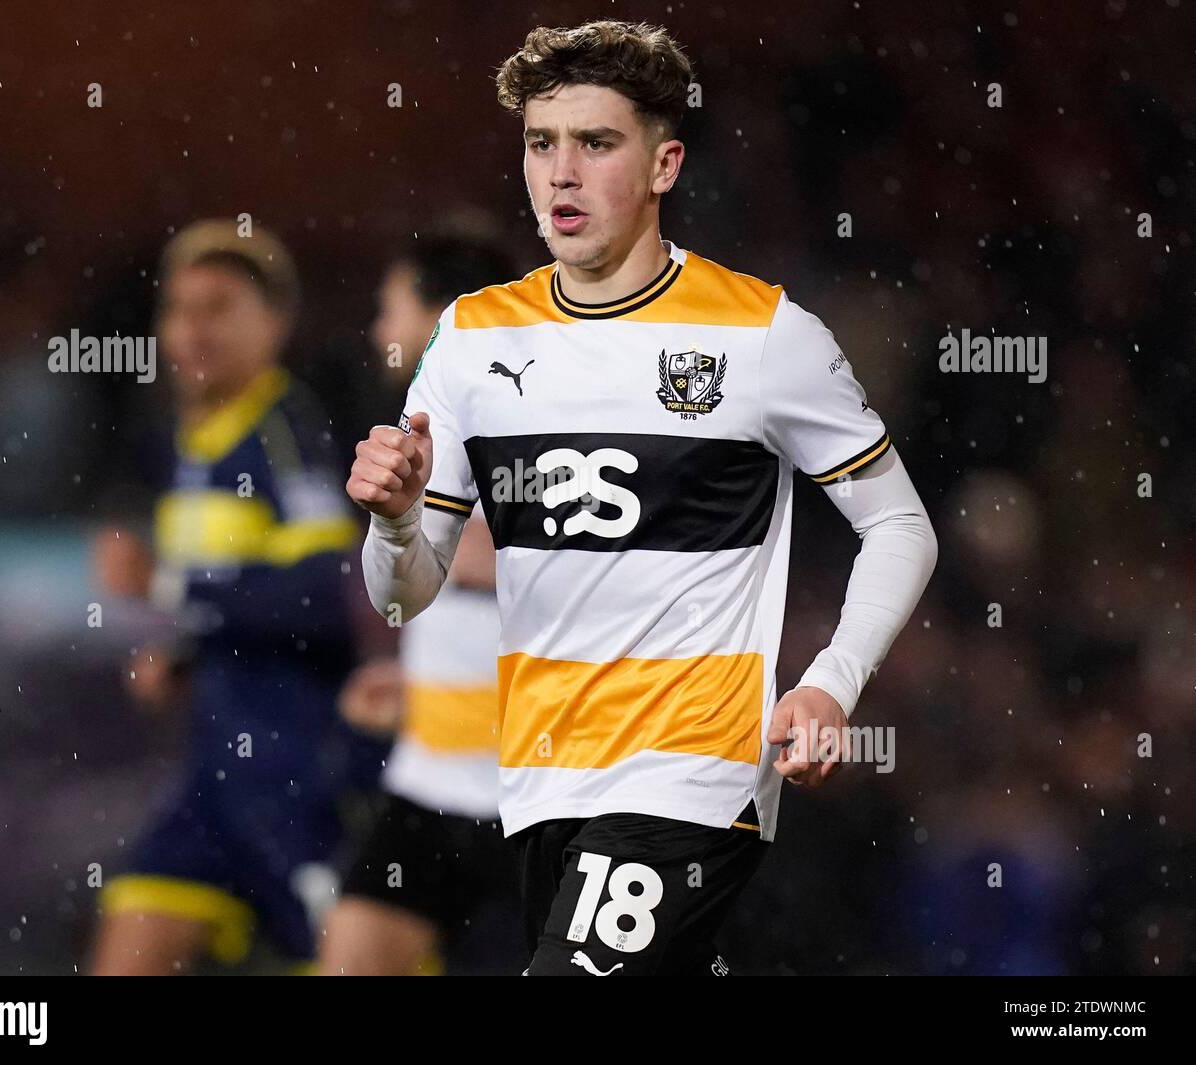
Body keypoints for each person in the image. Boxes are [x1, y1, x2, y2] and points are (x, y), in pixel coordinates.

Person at [347, 20, 938, 975]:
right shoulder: (470, 341)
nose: (560, 174)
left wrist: (832, 680)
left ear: (664, 163)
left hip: (694, 773)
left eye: (596, 142)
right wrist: (395, 519)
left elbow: (900, 523)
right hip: (538, 777)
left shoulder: (762, 333)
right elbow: (402, 592)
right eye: (542, 143)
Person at [88, 219, 387, 974]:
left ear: (275, 323)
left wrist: (166, 583)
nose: (192, 327)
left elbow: (326, 597)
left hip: (299, 780)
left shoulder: (283, 432)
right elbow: (245, 598)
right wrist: (183, 654)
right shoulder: (182, 443)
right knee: (130, 946)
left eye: (219, 305)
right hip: (214, 780)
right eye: (179, 307)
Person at [321, 232, 525, 975]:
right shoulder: (421, 426)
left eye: (391, 307)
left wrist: (469, 552)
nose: (380, 330)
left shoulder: (553, 419)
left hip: (547, 797)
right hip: (429, 784)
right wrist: (421, 691)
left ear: (446, 313)